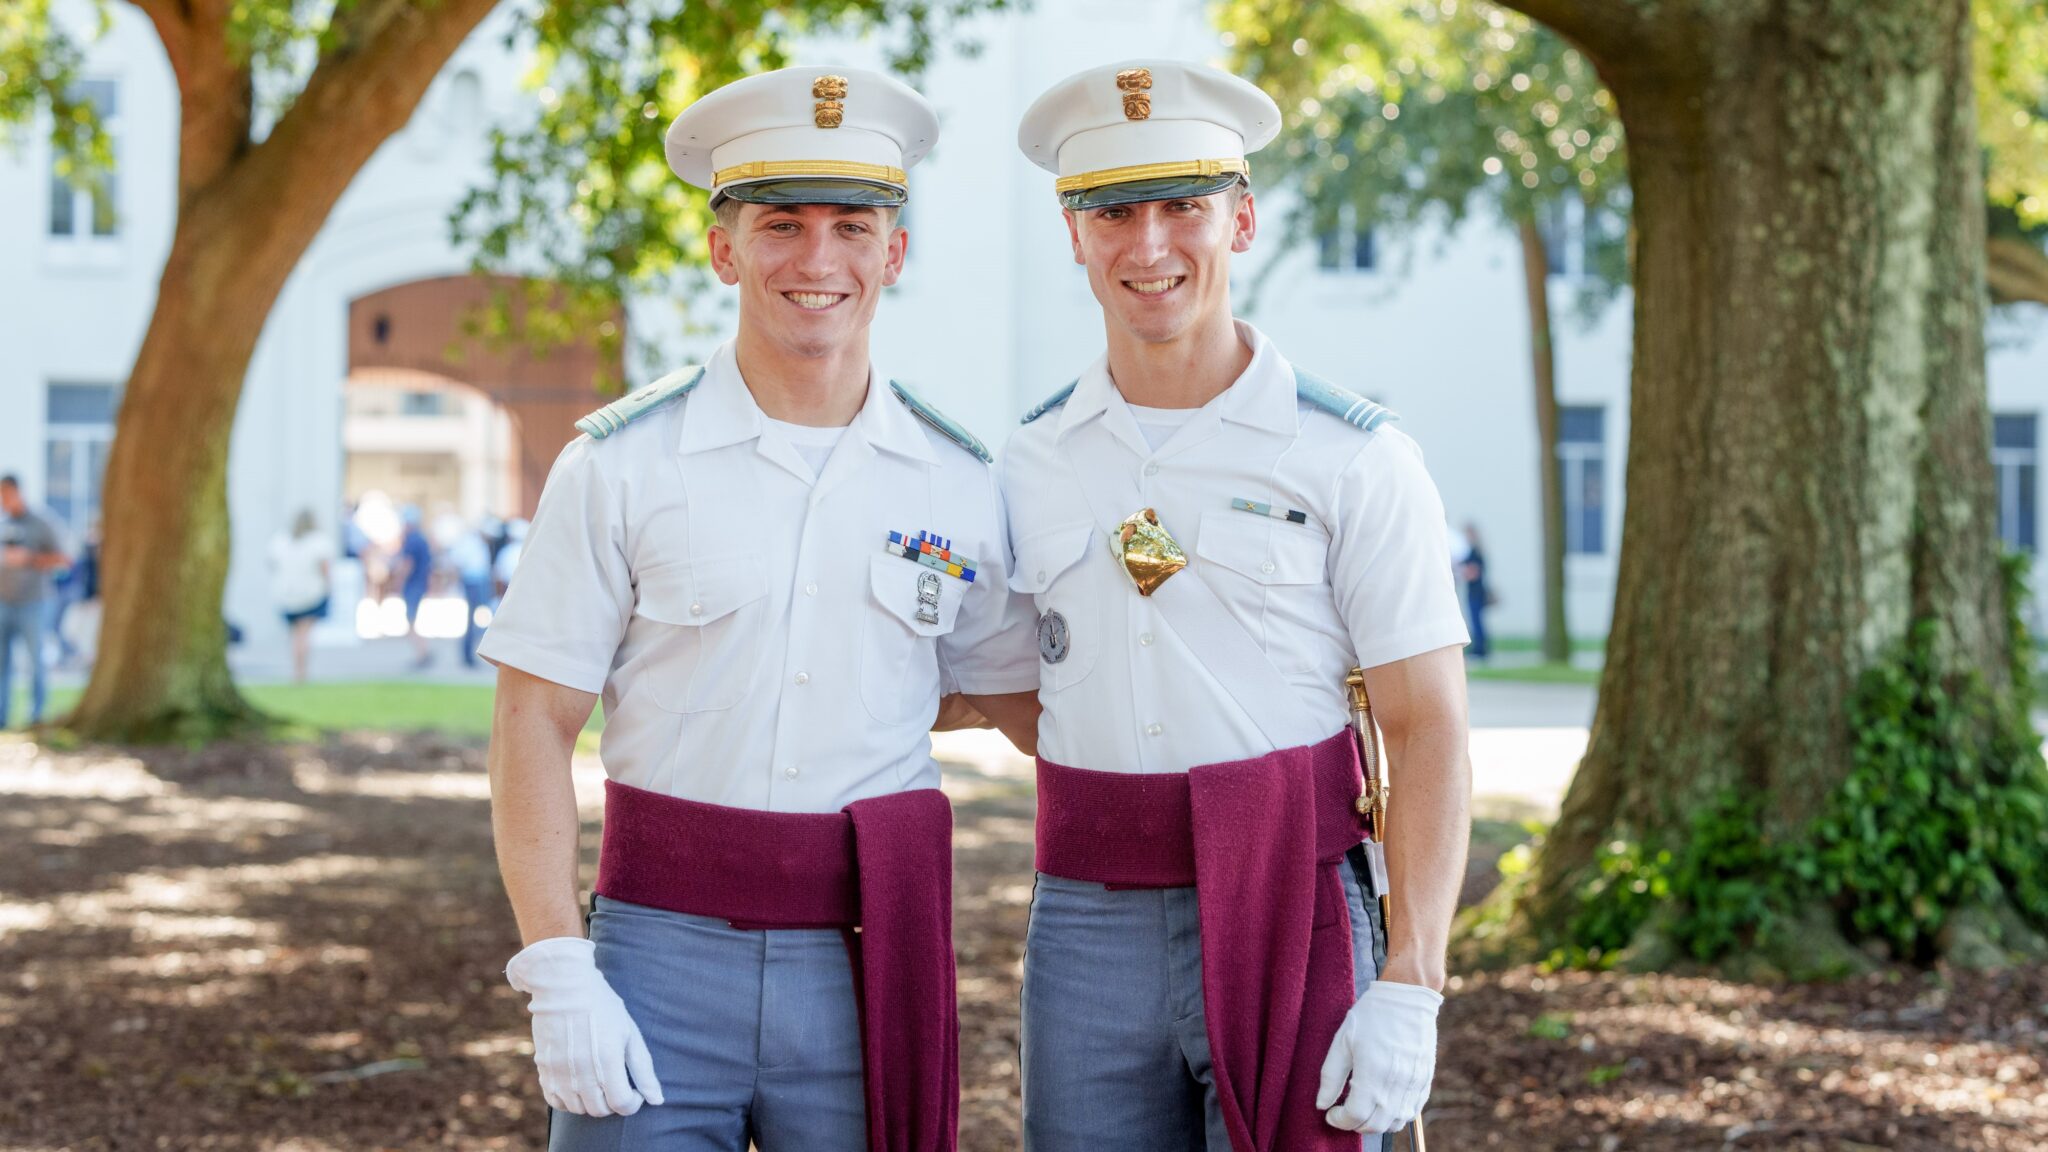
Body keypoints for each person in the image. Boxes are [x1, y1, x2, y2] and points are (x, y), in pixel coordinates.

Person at [478, 65, 1041, 1151]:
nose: (816, 260)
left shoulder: (958, 482)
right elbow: (532, 718)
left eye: (851, 226)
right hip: (656, 951)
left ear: (894, 252)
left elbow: (1012, 697)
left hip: (865, 952)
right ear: (722, 247)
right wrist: (556, 968)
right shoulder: (621, 466)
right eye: (780, 224)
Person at [1003, 61, 1474, 1150]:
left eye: (1184, 207)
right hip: (1085, 913)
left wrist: (1411, 981)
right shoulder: (1028, 459)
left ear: (1242, 220)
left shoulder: (1352, 456)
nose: (1149, 244)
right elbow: (1014, 675)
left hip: (1289, 894)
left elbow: (1426, 722)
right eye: (1113, 212)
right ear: (1073, 234)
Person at [0, 475, 70, 729]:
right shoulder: (3, 523)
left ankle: (36, 716)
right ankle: (2, 718)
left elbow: (64, 560)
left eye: (6, 495)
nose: (3, 501)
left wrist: (29, 559)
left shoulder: (42, 523)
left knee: (35, 661)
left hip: (34, 602)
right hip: (4, 602)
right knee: (2, 663)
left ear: (18, 492)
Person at [269, 509, 333, 684]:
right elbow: (325, 569)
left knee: (295, 635)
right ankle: (301, 673)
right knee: (303, 635)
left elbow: (272, 565)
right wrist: (329, 588)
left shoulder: (281, 541)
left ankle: (297, 671)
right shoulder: (319, 542)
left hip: (285, 594)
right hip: (310, 594)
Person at [448, 521, 494, 668]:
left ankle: (472, 654)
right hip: (472, 583)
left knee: (480, 619)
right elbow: (458, 563)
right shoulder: (469, 543)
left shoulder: (479, 543)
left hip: (479, 582)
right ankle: (468, 655)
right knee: (472, 620)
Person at [394, 506, 435, 669]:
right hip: (420, 583)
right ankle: (422, 652)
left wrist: (398, 582)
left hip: (413, 585)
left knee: (410, 622)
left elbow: (407, 565)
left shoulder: (412, 540)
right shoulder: (421, 539)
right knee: (411, 621)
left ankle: (422, 653)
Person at [1457, 522, 1490, 660]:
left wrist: (1462, 572)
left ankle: (1480, 649)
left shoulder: (1475, 552)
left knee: (1477, 621)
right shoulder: (1474, 551)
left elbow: (1474, 572)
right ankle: (1479, 648)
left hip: (1476, 592)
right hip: (1474, 592)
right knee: (1476, 620)